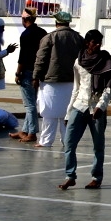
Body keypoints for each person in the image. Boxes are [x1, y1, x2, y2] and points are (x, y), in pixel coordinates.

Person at [61, 29, 111, 190]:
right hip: (79, 105)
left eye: (100, 42)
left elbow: (108, 88)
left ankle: (96, 177)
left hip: (96, 108)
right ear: (87, 43)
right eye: (95, 42)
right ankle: (70, 175)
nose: (98, 45)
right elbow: (76, 88)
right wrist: (68, 111)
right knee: (69, 142)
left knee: (98, 145)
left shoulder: (106, 60)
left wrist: (101, 106)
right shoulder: (79, 61)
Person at [32, 11, 83, 148]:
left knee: (49, 112)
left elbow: (41, 59)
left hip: (51, 82)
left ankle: (46, 141)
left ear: (56, 22)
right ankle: (68, 141)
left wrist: (36, 77)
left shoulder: (49, 38)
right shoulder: (78, 38)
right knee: (68, 114)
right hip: (72, 82)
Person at [10, 11, 46, 142]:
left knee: (29, 104)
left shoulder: (25, 35)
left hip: (28, 72)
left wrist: (18, 73)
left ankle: (32, 133)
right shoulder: (42, 33)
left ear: (25, 19)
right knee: (31, 101)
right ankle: (25, 130)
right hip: (39, 72)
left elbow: (23, 57)